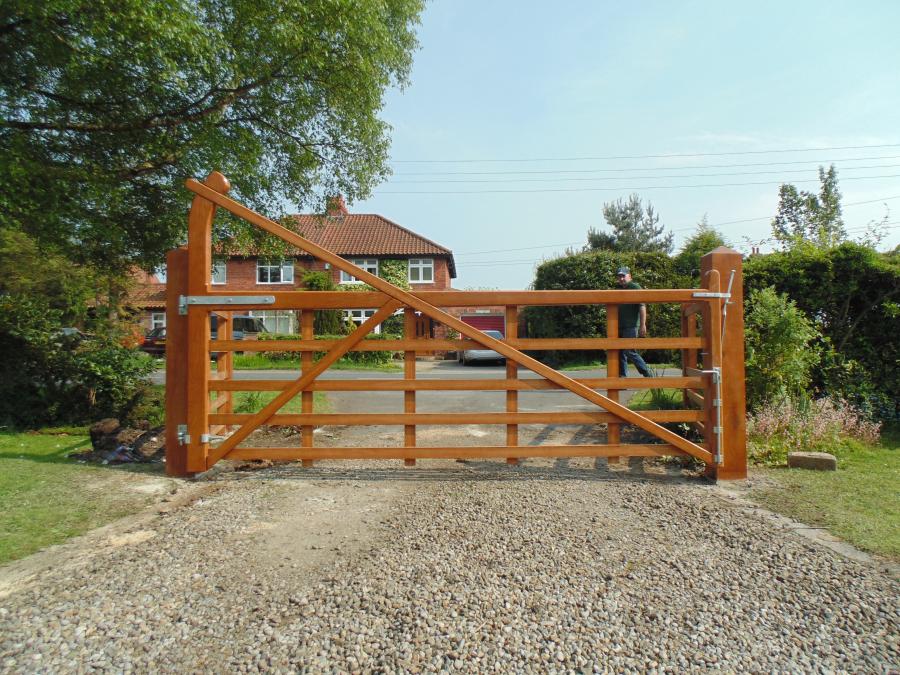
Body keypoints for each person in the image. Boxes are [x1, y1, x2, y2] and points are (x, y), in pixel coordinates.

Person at [614, 266, 652, 377]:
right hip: (618, 326)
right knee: (619, 352)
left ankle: (648, 374)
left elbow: (642, 306)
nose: (621, 279)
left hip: (631, 326)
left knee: (629, 351)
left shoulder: (635, 287)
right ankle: (623, 378)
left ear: (629, 276)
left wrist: (643, 325)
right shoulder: (618, 289)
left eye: (623, 276)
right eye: (619, 276)